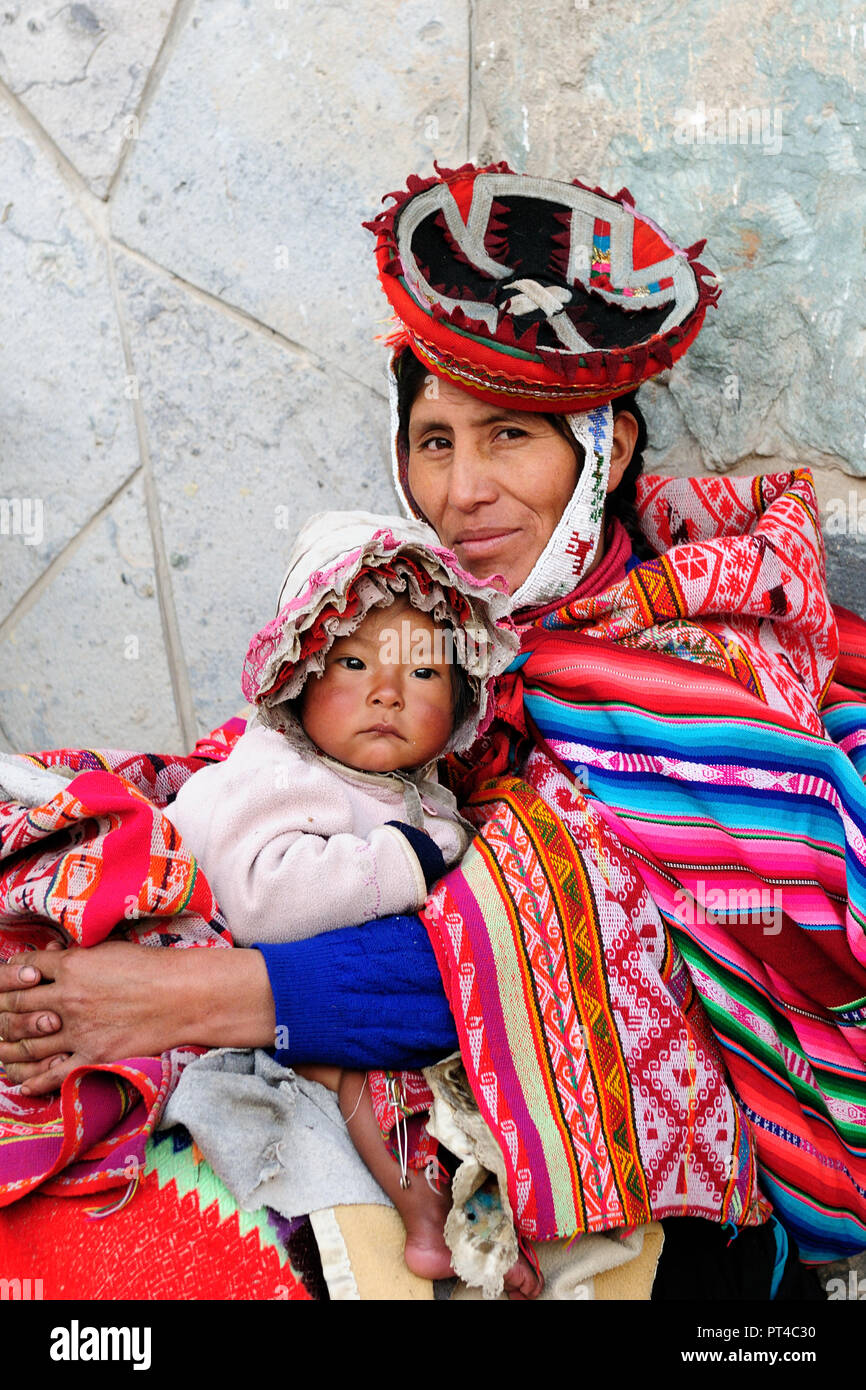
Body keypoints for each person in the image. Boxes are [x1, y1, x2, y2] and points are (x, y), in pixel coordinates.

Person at [2, 163, 863, 1299]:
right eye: (434, 438)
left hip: (710, 1174)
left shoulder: (691, 657)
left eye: (511, 435)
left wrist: (175, 996)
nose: (463, 491)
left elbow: (601, 947)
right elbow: (269, 766)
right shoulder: (422, 631)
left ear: (598, 454)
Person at [161, 508, 541, 1292]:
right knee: (357, 1072)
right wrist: (402, 865)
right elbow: (267, 902)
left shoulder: (421, 794)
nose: (389, 694)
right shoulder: (276, 771)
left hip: (328, 997)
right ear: (298, 676)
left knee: (461, 1074)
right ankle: (428, 1220)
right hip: (216, 955)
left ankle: (502, 1218)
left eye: (424, 672)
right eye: (355, 665)